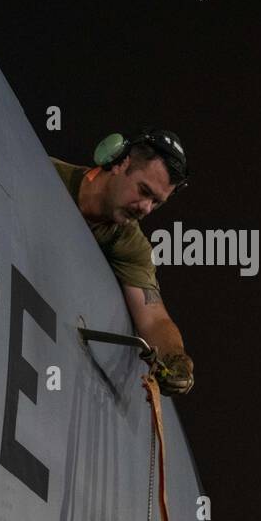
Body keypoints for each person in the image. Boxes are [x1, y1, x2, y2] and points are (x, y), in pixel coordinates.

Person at [50, 127, 195, 395]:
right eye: (144, 190)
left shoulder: (130, 245)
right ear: (118, 162)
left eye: (156, 202)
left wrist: (176, 359)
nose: (145, 208)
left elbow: (152, 319)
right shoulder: (44, 175)